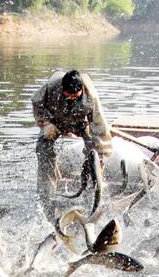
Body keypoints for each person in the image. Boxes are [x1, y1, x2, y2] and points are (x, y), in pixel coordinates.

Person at [32, 68, 112, 220]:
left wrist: (100, 158)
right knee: (43, 147)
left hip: (80, 122)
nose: (69, 98)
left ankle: (90, 187)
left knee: (94, 151)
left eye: (73, 96)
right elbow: (36, 103)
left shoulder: (91, 98)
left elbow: (101, 130)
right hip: (55, 121)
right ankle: (47, 191)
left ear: (81, 90)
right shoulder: (51, 86)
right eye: (66, 95)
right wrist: (45, 122)